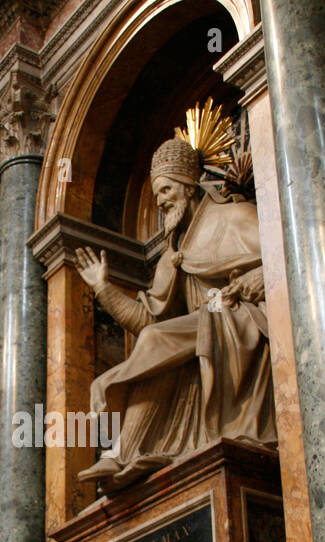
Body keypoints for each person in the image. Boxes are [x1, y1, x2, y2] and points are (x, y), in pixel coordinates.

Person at [69, 136, 276, 489]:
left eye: (166, 190)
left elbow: (286, 256)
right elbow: (149, 319)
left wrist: (256, 278)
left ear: (188, 185)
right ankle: (124, 454)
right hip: (205, 331)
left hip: (247, 326)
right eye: (157, 195)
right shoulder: (173, 253)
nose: (162, 201)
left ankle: (121, 452)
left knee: (160, 340)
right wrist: (103, 288)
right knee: (159, 345)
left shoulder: (235, 217)